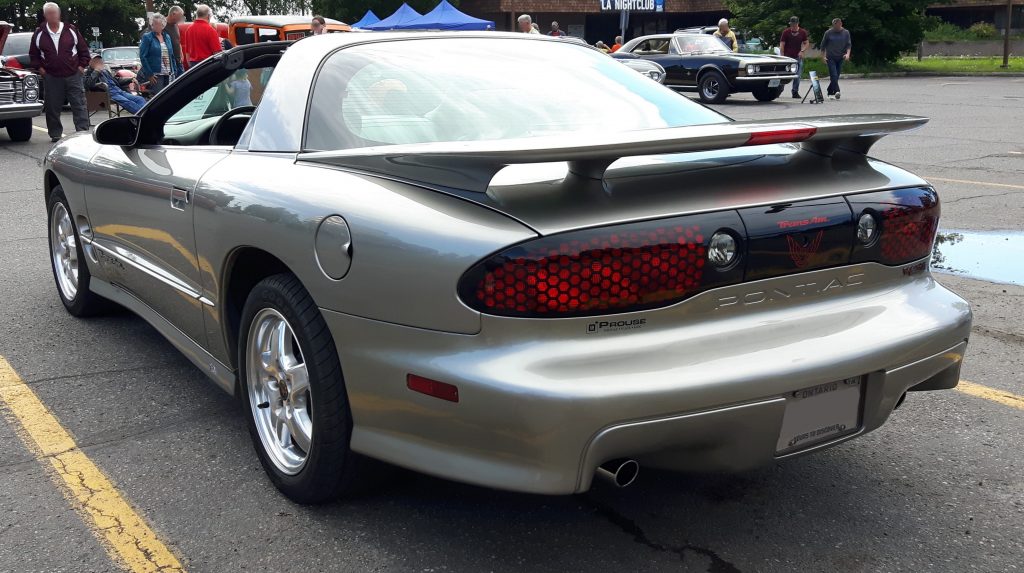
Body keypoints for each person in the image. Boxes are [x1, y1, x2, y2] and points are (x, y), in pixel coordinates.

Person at [28, 2, 90, 142]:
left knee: (79, 104)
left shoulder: (71, 30)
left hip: (73, 74)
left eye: (54, 13)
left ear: (59, 14)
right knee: (52, 107)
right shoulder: (39, 33)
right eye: (49, 13)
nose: (52, 16)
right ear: (45, 15)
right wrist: (41, 69)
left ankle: (83, 132)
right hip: (51, 76)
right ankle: (55, 134)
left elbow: (84, 51)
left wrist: (81, 67)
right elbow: (33, 54)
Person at [139, 14, 181, 95]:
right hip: (156, 74)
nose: (156, 26)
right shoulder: (147, 37)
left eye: (159, 24)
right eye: (154, 24)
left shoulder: (167, 37)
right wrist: (149, 74)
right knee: (158, 96)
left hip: (169, 73)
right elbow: (143, 56)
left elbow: (171, 55)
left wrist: (174, 70)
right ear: (152, 25)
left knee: (169, 95)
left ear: (163, 25)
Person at [820, 18, 852, 99]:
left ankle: (830, 91)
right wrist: (823, 57)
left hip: (841, 57)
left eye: (837, 26)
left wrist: (847, 54)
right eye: (834, 26)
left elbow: (848, 45)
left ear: (841, 24)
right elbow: (823, 46)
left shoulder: (846, 32)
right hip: (830, 57)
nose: (835, 28)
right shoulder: (828, 33)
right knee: (833, 74)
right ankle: (837, 91)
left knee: (836, 76)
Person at [779, 16, 809, 98]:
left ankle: (795, 91)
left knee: (797, 75)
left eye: (794, 24)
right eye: (791, 24)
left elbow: (806, 43)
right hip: (787, 57)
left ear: (797, 23)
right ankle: (779, 90)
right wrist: (782, 56)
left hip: (797, 57)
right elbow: (782, 44)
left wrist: (802, 51)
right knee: (784, 75)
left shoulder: (802, 32)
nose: (792, 26)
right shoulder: (786, 32)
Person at [166, 6, 185, 72]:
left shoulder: (176, 25)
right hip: (169, 62)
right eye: (179, 16)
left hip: (178, 61)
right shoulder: (162, 25)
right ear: (173, 14)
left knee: (183, 80)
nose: (180, 19)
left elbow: (178, 41)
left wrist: (181, 53)